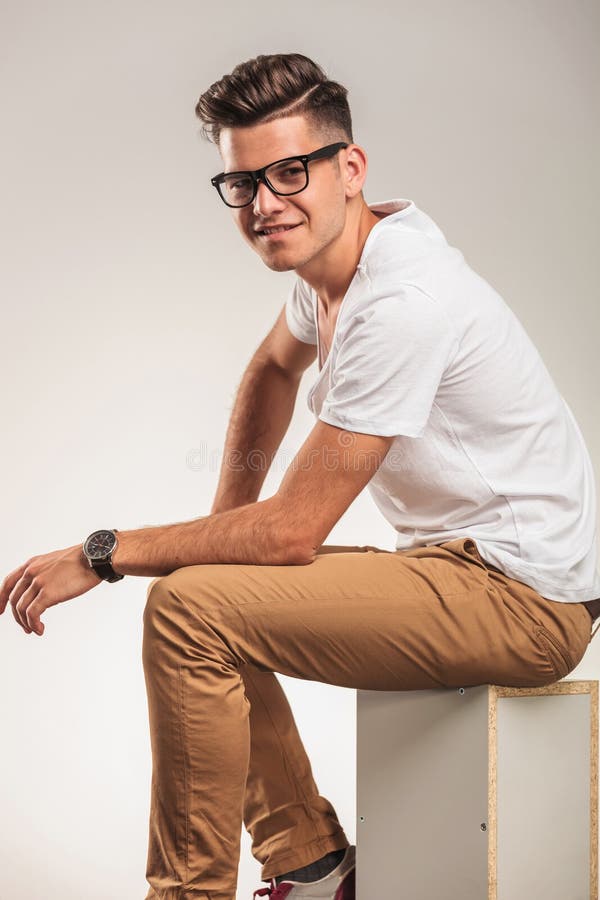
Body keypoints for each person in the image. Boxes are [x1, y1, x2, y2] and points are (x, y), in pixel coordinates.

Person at [1, 51, 599, 900]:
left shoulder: (404, 300)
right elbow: (272, 370)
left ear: (350, 169)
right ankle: (314, 872)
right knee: (200, 596)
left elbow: (290, 534)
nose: (264, 204)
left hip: (525, 603)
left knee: (188, 611)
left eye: (290, 173)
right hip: (460, 570)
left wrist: (102, 552)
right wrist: (218, 535)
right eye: (242, 183)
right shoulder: (337, 268)